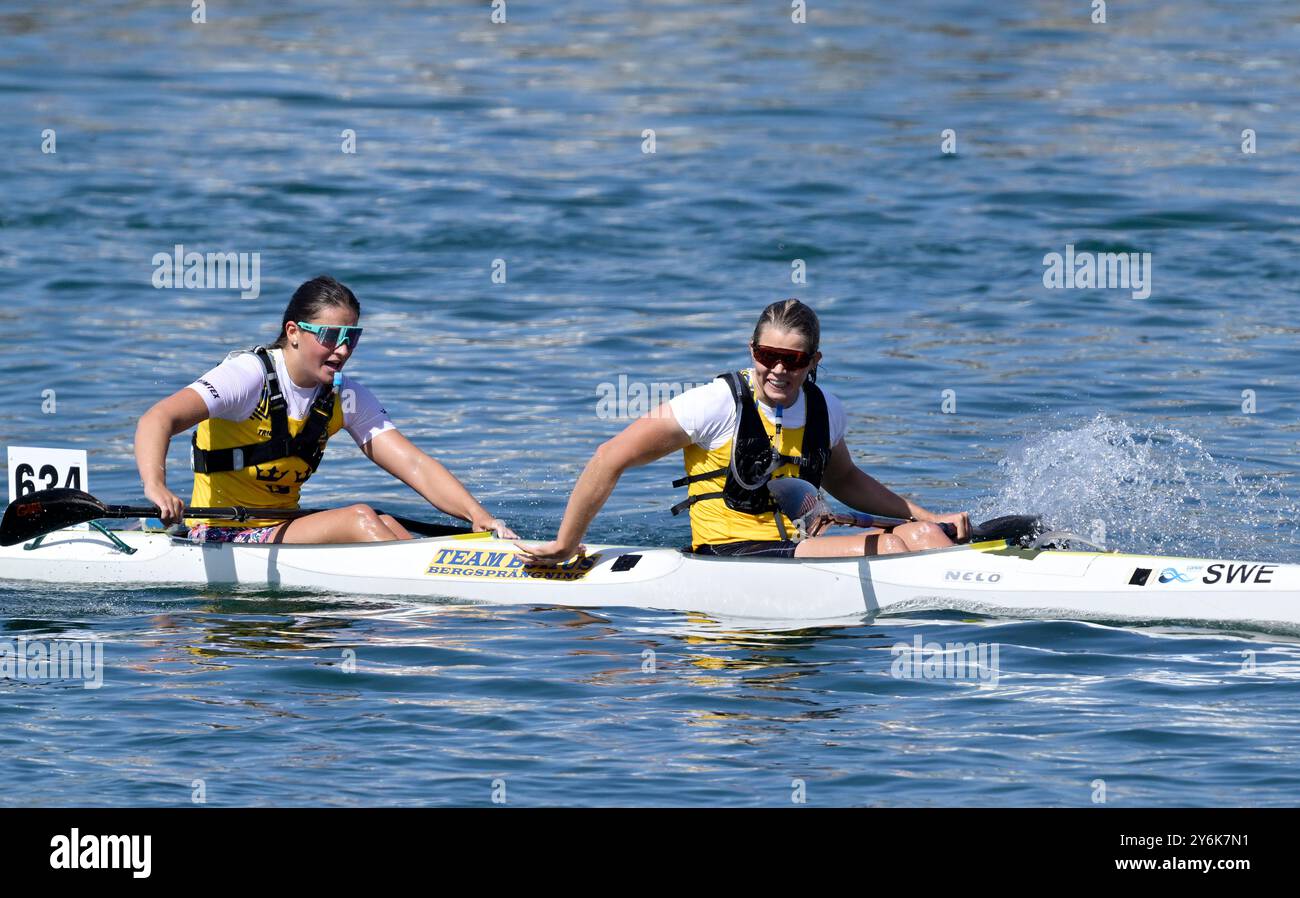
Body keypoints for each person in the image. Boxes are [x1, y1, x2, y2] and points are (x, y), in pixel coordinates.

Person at [519, 298, 969, 562]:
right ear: (751, 350)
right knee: (910, 546)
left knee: (925, 536)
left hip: (794, 553)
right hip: (728, 556)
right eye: (765, 355)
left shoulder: (826, 409)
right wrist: (567, 543)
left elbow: (847, 480)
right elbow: (609, 457)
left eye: (792, 360)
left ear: (814, 361)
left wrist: (928, 517)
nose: (776, 369)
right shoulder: (713, 403)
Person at [134, 275, 516, 543]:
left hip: (283, 525)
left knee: (387, 524)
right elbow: (158, 418)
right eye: (331, 336)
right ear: (293, 333)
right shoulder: (248, 376)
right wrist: (156, 486)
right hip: (218, 532)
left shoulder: (343, 396)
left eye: (352, 337)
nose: (343, 349)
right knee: (361, 519)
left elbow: (415, 465)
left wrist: (477, 516)